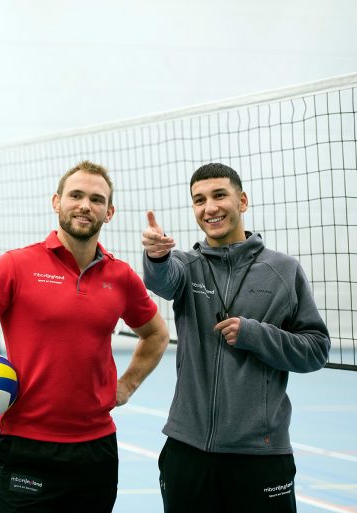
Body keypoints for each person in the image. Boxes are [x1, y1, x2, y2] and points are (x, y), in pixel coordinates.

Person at [0, 161, 169, 513]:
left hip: (96, 448)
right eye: (76, 195)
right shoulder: (15, 266)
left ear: (109, 211)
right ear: (56, 202)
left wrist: (127, 385)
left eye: (96, 199)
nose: (85, 205)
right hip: (26, 446)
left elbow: (157, 334)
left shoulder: (121, 276)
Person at [141, 163, 331, 513]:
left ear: (241, 201)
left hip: (259, 453)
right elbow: (162, 280)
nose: (209, 207)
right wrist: (157, 256)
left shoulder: (283, 270)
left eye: (218, 195)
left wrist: (255, 334)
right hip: (187, 450)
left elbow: (316, 350)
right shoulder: (187, 265)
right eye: (198, 200)